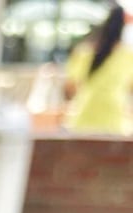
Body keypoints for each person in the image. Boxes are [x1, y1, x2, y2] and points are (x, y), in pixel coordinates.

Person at [64, 4, 133, 135]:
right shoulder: (128, 56)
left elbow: (70, 89)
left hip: (82, 121)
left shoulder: (83, 52)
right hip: (116, 123)